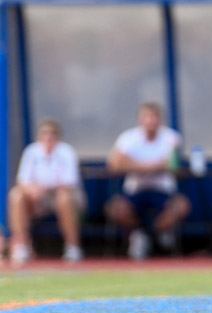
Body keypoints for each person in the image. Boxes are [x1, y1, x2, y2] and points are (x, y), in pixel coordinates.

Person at [105, 102, 191, 260]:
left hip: (163, 190)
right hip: (136, 190)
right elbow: (114, 164)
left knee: (181, 207)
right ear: (140, 119)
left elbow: (173, 165)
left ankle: (153, 234)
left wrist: (134, 163)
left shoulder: (172, 137)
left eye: (154, 116)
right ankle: (139, 234)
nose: (151, 121)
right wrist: (154, 165)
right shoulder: (128, 138)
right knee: (115, 209)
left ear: (161, 119)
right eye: (147, 117)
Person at [6, 118, 84, 264]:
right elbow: (23, 181)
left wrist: (44, 188)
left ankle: (72, 247)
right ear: (38, 136)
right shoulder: (31, 152)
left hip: (62, 196)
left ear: (58, 136)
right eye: (44, 133)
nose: (48, 136)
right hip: (37, 199)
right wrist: (33, 190)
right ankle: (21, 246)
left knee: (64, 198)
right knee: (16, 195)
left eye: (52, 133)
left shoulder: (66, 152)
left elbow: (70, 183)